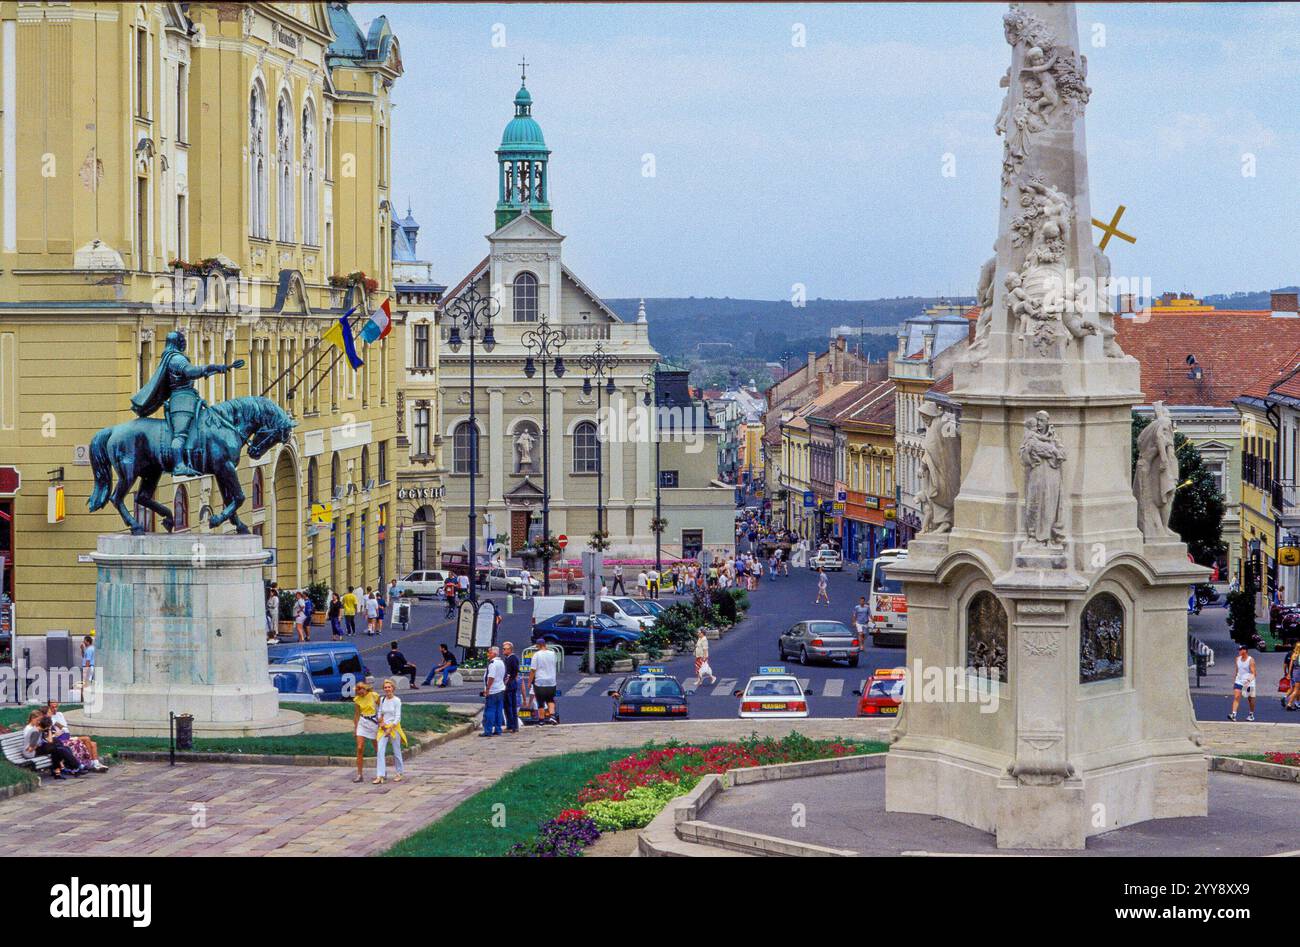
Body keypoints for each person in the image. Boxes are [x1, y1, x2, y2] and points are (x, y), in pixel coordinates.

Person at [45, 700, 107, 772]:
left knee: (93, 744)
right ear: (49, 707)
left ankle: (96, 764)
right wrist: (60, 727)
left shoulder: (60, 714)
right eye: (52, 707)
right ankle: (90, 763)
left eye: (56, 707)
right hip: (61, 740)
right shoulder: (49, 718)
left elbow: (65, 727)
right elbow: (62, 727)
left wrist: (62, 728)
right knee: (87, 738)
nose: (55, 709)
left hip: (66, 736)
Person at [23, 710, 83, 779]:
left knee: (58, 748)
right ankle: (76, 766)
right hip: (30, 753)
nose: (39, 722)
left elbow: (49, 740)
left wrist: (48, 730)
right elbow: (30, 749)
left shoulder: (38, 729)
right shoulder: (35, 732)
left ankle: (59, 772)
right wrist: (39, 745)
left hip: (35, 750)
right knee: (57, 748)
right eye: (38, 720)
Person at [374, 679, 406, 784]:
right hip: (383, 728)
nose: (387, 689)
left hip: (394, 728)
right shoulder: (382, 699)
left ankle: (399, 772)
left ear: (393, 688)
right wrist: (381, 724)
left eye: (389, 687)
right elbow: (379, 713)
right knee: (380, 751)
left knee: (396, 751)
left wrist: (390, 728)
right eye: (385, 687)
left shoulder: (397, 700)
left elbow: (398, 717)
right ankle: (380, 775)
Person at [352, 681, 380, 784]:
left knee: (377, 748)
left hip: (373, 722)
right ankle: (359, 774)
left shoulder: (374, 696)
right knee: (359, 747)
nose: (360, 692)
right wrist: (355, 728)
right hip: (363, 722)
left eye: (362, 690)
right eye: (358, 691)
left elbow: (381, 708)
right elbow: (357, 715)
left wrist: (382, 721)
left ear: (366, 689)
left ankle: (381, 771)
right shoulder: (357, 700)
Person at [529, 636, 559, 725]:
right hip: (551, 680)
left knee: (540, 701)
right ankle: (552, 716)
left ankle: (541, 720)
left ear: (539, 645)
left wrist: (530, 681)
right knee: (550, 699)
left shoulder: (536, 655)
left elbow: (533, 670)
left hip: (540, 681)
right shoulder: (553, 653)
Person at [481, 646, 506, 737]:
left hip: (493, 690)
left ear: (494, 653)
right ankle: (498, 729)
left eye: (489, 652)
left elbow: (491, 677)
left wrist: (487, 689)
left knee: (490, 710)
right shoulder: (501, 662)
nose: (488, 654)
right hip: (500, 689)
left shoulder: (492, 663)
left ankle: (488, 730)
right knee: (498, 710)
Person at [1229, 646, 1257, 722]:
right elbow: (1237, 670)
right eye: (1239, 650)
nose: (1239, 651)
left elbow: (1254, 673)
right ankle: (1233, 714)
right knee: (1237, 696)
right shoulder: (1237, 659)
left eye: (1241, 650)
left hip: (1248, 682)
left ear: (1245, 651)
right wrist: (1235, 679)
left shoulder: (1250, 660)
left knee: (1250, 699)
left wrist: (1248, 681)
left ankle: (1251, 714)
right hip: (1239, 680)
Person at [501, 641, 521, 733]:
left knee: (509, 705)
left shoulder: (511, 659)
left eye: (504, 649)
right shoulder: (510, 658)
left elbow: (510, 673)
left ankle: (512, 725)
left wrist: (505, 683)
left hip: (509, 684)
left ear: (510, 649)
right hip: (512, 683)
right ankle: (512, 725)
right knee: (510, 705)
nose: (503, 650)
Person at [1284, 642, 1300, 712]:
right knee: (1296, 690)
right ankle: (1289, 704)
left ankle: (1293, 703)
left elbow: (1290, 666)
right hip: (1299, 673)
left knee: (1295, 689)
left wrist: (1289, 674)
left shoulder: (1294, 655)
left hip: (1294, 672)